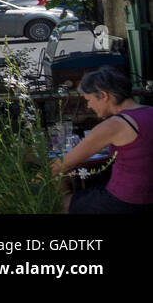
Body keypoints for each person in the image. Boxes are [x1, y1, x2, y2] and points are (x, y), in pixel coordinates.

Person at [51, 66, 153, 214]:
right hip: (147, 196)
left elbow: (65, 162)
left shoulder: (114, 125)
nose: (88, 105)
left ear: (104, 95)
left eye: (89, 99)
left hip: (126, 200)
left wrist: (35, 178)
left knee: (62, 201)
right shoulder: (149, 111)